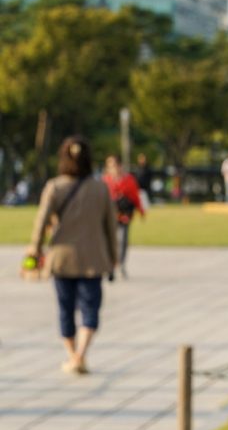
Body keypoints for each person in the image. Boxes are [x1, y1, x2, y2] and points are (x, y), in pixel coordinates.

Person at [26, 137, 119, 375]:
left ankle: (72, 356)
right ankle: (82, 354)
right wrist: (113, 256)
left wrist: (34, 250)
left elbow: (41, 222)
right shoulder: (100, 188)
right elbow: (111, 226)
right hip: (93, 259)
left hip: (61, 258)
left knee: (65, 308)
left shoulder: (55, 187)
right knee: (90, 308)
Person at [102, 155, 145, 279]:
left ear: (120, 166)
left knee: (122, 240)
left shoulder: (129, 179)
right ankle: (110, 265)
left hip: (124, 215)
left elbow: (135, 197)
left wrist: (140, 210)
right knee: (110, 241)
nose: (112, 168)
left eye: (114, 165)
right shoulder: (105, 180)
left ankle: (121, 264)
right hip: (109, 216)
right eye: (109, 166)